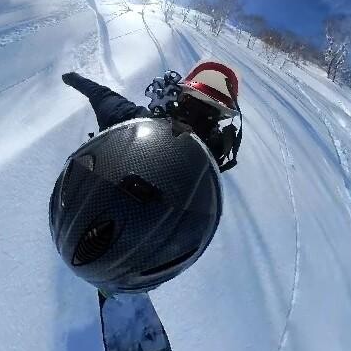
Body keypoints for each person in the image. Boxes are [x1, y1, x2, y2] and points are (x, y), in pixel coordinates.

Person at [49, 63, 242, 296]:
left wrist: (77, 80)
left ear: (179, 98)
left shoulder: (134, 121)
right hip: (138, 248)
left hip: (97, 209)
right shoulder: (203, 173)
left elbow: (104, 98)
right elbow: (105, 98)